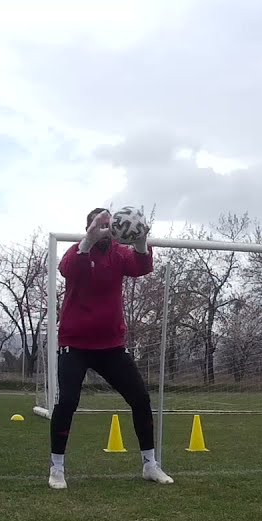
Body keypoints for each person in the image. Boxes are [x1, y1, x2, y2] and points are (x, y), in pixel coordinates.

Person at [47, 207, 174, 490]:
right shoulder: (78, 252)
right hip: (75, 344)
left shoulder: (118, 252)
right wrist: (89, 240)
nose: (107, 229)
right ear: (91, 226)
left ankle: (150, 465)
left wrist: (140, 240)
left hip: (111, 346)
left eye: (110, 224)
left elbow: (141, 267)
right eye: (101, 224)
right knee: (67, 403)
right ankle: (57, 468)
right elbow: (68, 270)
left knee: (140, 399)